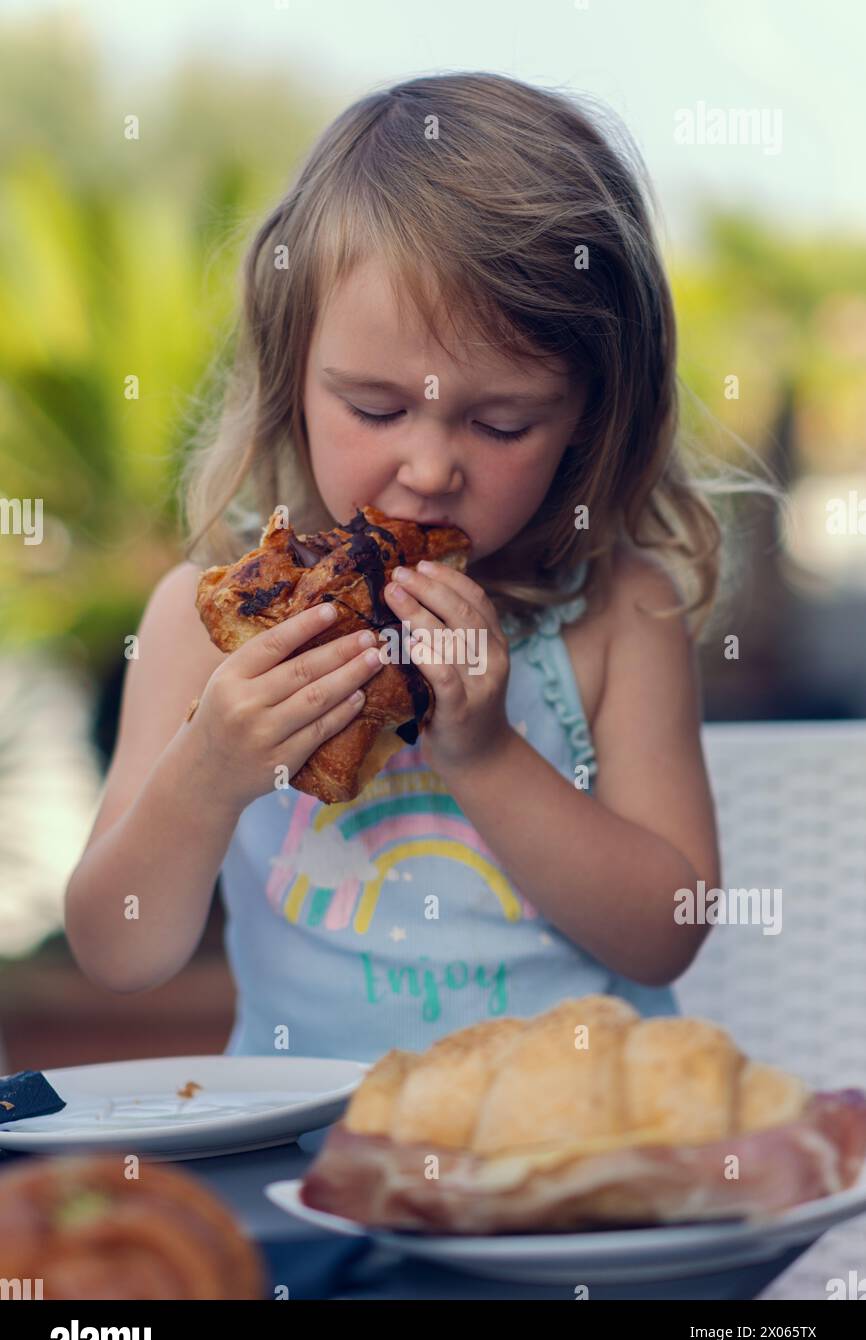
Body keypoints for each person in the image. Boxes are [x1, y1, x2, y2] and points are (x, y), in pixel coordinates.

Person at [65, 72, 759, 1063]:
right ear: (290, 378)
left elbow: (665, 932)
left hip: (558, 1146)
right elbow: (117, 949)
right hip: (306, 1158)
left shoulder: (614, 613)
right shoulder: (205, 620)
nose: (429, 469)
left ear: (587, 421)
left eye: (500, 422)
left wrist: (485, 755)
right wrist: (209, 774)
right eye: (377, 410)